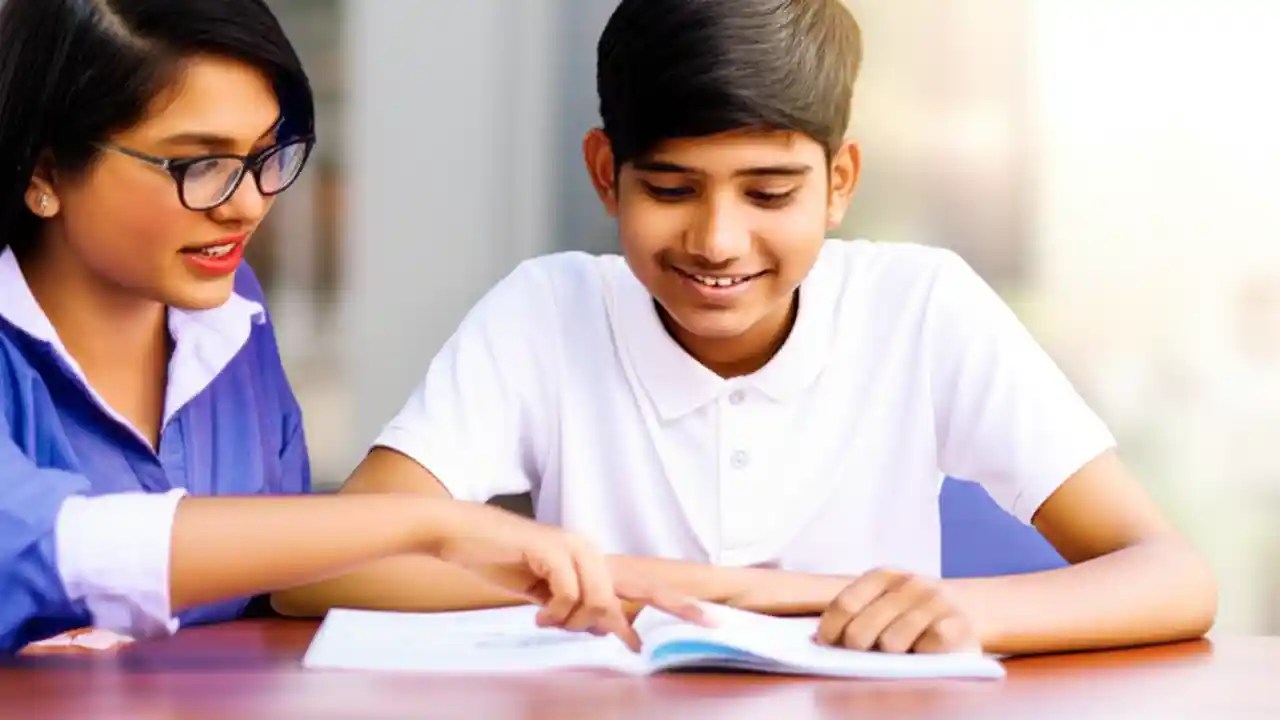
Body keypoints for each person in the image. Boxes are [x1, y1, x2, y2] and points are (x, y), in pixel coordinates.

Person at [274, 0, 1216, 656]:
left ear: (840, 182)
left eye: (771, 192)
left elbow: (1173, 577)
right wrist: (699, 589)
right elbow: (326, 568)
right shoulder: (547, 312)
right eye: (670, 189)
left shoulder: (922, 305)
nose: (718, 241)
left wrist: (953, 613)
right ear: (606, 174)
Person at [0, 0, 697, 655]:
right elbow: (43, 547)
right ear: (46, 168)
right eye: (200, 165)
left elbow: (280, 578)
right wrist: (434, 524)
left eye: (266, 155)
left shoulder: (225, 312)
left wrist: (678, 589)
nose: (247, 204)